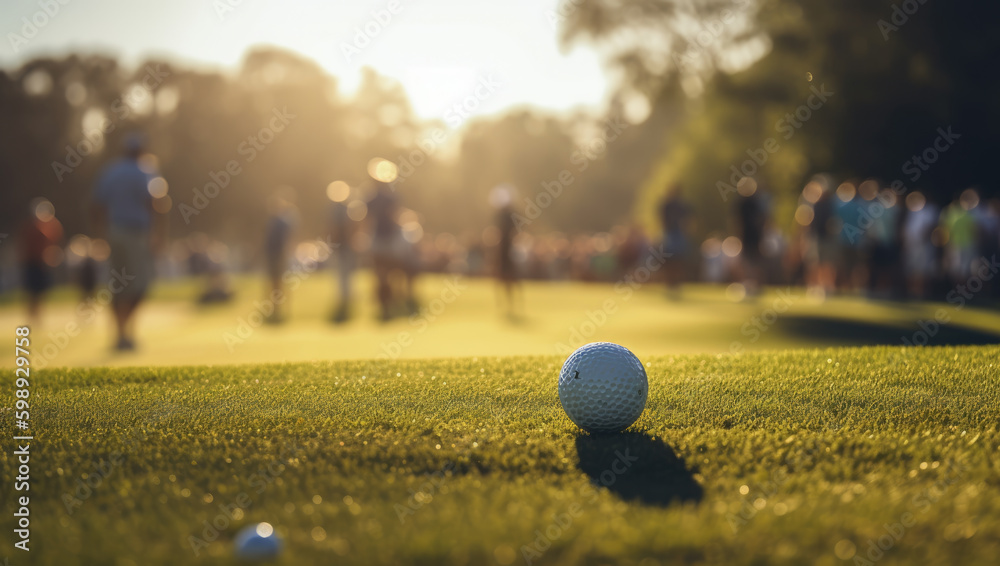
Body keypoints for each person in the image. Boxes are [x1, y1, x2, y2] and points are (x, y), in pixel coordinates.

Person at [92, 133, 163, 351]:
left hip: (115, 232)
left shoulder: (111, 172)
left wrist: (101, 235)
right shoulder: (146, 172)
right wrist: (159, 234)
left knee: (117, 285)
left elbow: (97, 204)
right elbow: (156, 203)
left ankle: (120, 334)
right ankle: (125, 331)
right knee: (140, 284)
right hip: (136, 233)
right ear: (140, 151)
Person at [19, 198, 63, 325]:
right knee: (32, 292)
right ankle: (32, 317)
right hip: (32, 263)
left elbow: (53, 244)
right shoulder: (30, 228)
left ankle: (37, 317)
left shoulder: (51, 226)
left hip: (42, 264)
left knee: (40, 292)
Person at [263, 187, 298, 323]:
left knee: (280, 283)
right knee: (273, 283)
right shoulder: (273, 221)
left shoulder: (284, 221)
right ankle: (273, 310)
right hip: (272, 255)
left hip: (280, 255)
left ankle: (281, 310)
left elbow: (287, 240)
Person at [658, 184, 692, 297]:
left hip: (679, 235)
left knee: (679, 260)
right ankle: (669, 284)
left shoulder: (682, 205)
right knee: (668, 260)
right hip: (669, 234)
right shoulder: (666, 205)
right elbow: (662, 220)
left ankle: (677, 284)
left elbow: (688, 220)